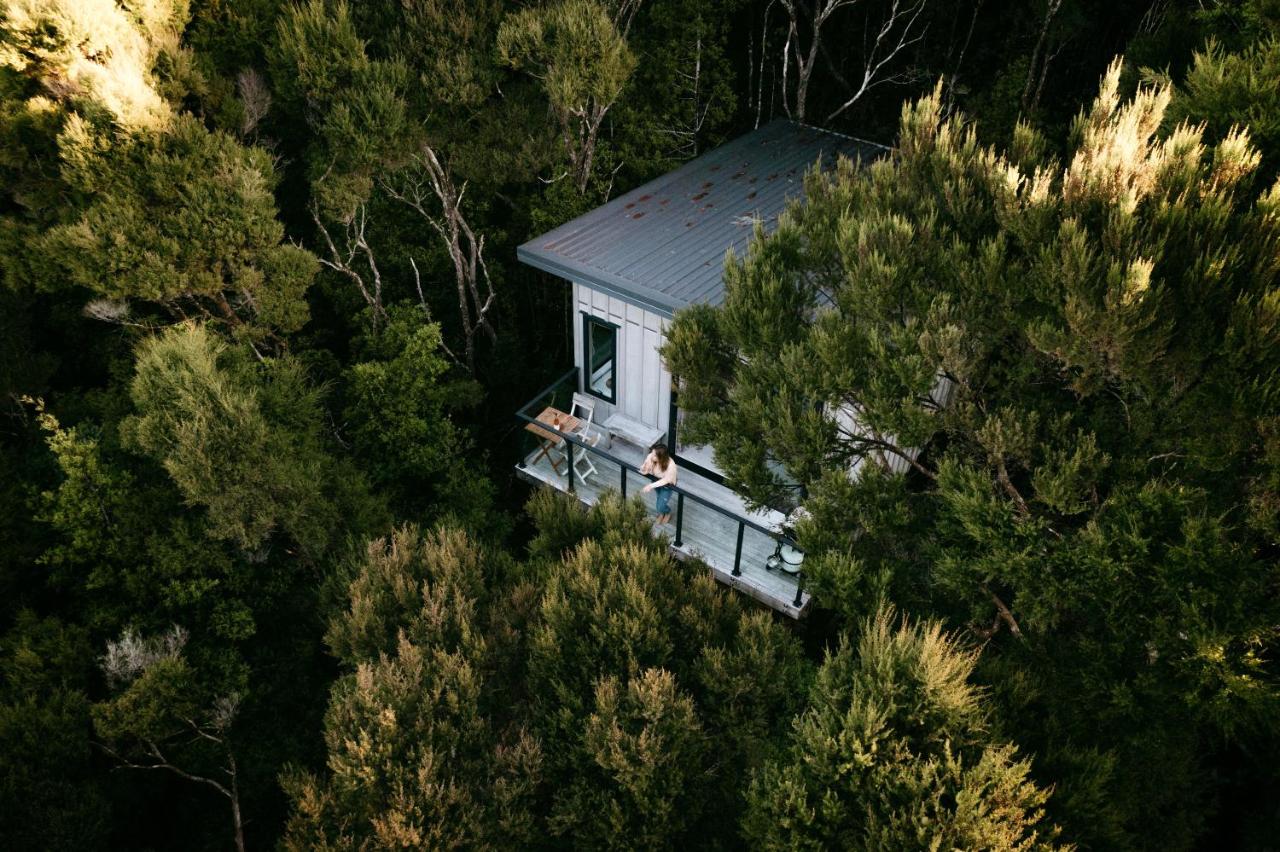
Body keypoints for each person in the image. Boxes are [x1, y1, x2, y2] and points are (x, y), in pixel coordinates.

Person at [640, 443, 678, 525]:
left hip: (667, 486)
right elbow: (646, 466)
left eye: (654, 455)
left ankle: (667, 512)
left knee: (660, 505)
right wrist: (644, 468)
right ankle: (661, 513)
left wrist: (650, 486)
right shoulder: (651, 456)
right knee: (659, 498)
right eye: (652, 453)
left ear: (661, 457)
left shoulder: (671, 466)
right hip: (655, 481)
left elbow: (665, 480)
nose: (651, 456)